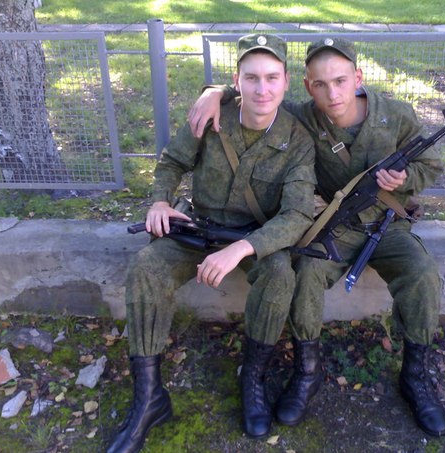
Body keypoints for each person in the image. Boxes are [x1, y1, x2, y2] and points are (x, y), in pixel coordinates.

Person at [189, 37, 445, 437]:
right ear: (307, 86)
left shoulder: (396, 115)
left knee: (422, 275)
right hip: (336, 228)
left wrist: (404, 178)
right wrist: (215, 92)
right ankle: (307, 371)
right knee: (306, 274)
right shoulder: (303, 118)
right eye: (321, 85)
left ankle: (415, 376)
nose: (333, 93)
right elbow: (259, 94)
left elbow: (430, 165)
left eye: (341, 81)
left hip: (387, 225)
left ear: (357, 77)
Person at [107, 34, 317, 452]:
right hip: (197, 229)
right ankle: (149, 398)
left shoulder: (298, 140)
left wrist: (240, 249)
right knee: (147, 267)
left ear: (286, 82)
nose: (262, 89)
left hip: (253, 238)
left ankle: (252, 379)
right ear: (236, 81)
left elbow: (296, 215)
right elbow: (172, 162)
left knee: (280, 275)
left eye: (272, 78)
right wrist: (160, 201)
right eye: (251, 78)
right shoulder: (213, 114)